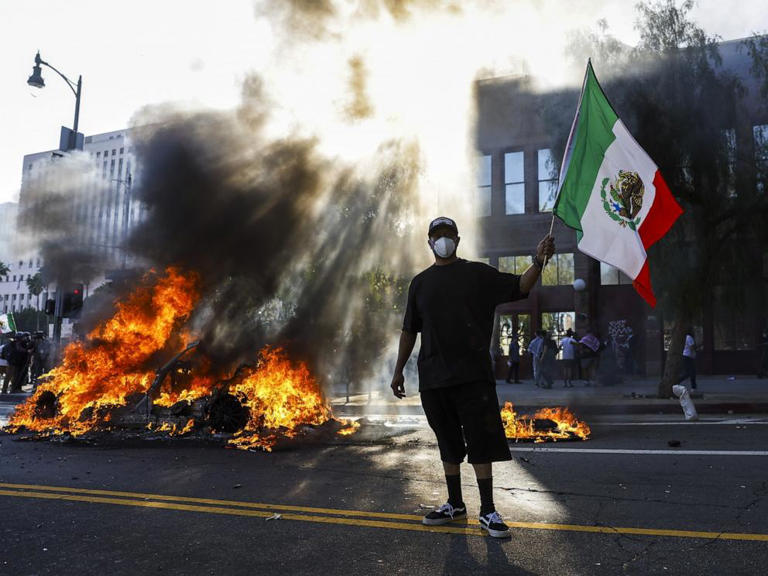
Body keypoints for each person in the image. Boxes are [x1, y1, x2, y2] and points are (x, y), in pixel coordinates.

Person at [390, 216, 555, 539]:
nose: (443, 239)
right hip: (434, 378)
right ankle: (455, 503)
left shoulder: (477, 274)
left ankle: (488, 510)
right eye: (437, 235)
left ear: (458, 239)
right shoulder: (420, 283)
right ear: (429, 242)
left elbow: (520, 286)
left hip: (473, 377)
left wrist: (538, 261)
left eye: (448, 234)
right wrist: (398, 370)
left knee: (481, 441)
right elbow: (409, 330)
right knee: (447, 442)